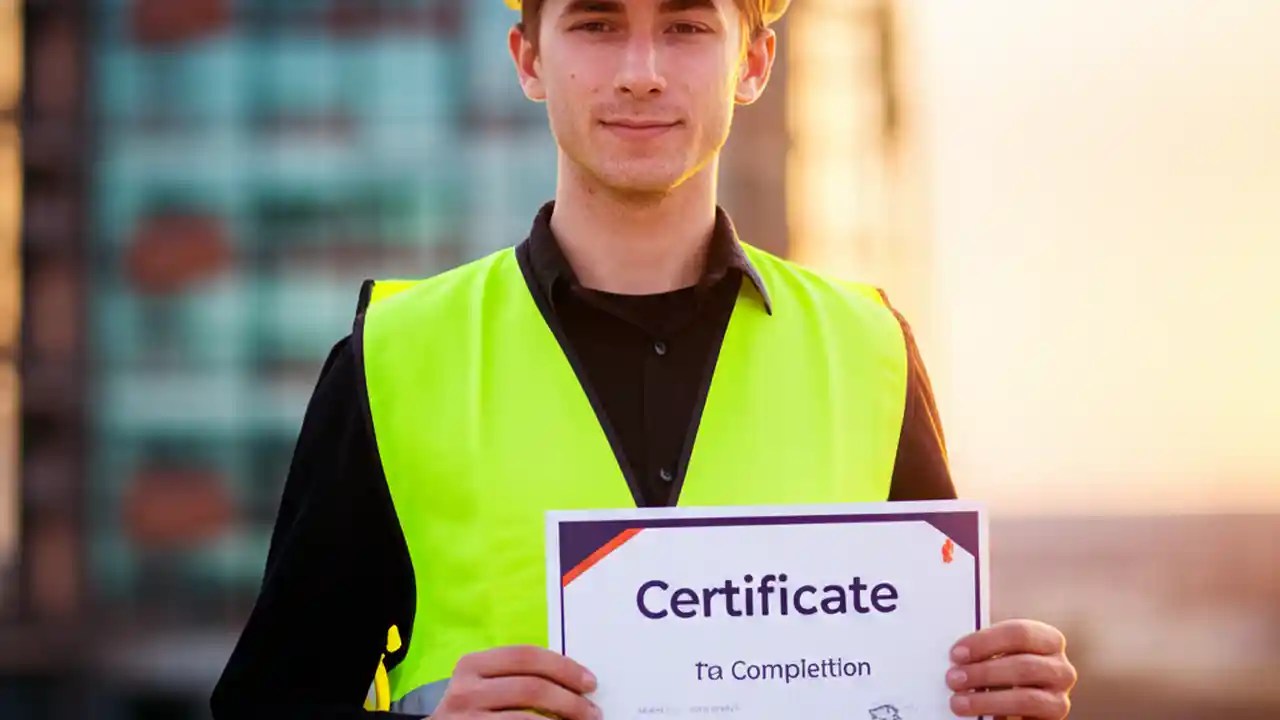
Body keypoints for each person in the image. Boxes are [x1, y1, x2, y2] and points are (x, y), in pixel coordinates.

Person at [211, 0, 1078, 718]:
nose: (641, 70)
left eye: (687, 27)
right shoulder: (394, 360)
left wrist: (999, 704)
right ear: (528, 60)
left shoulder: (870, 353)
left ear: (754, 61)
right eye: (595, 24)